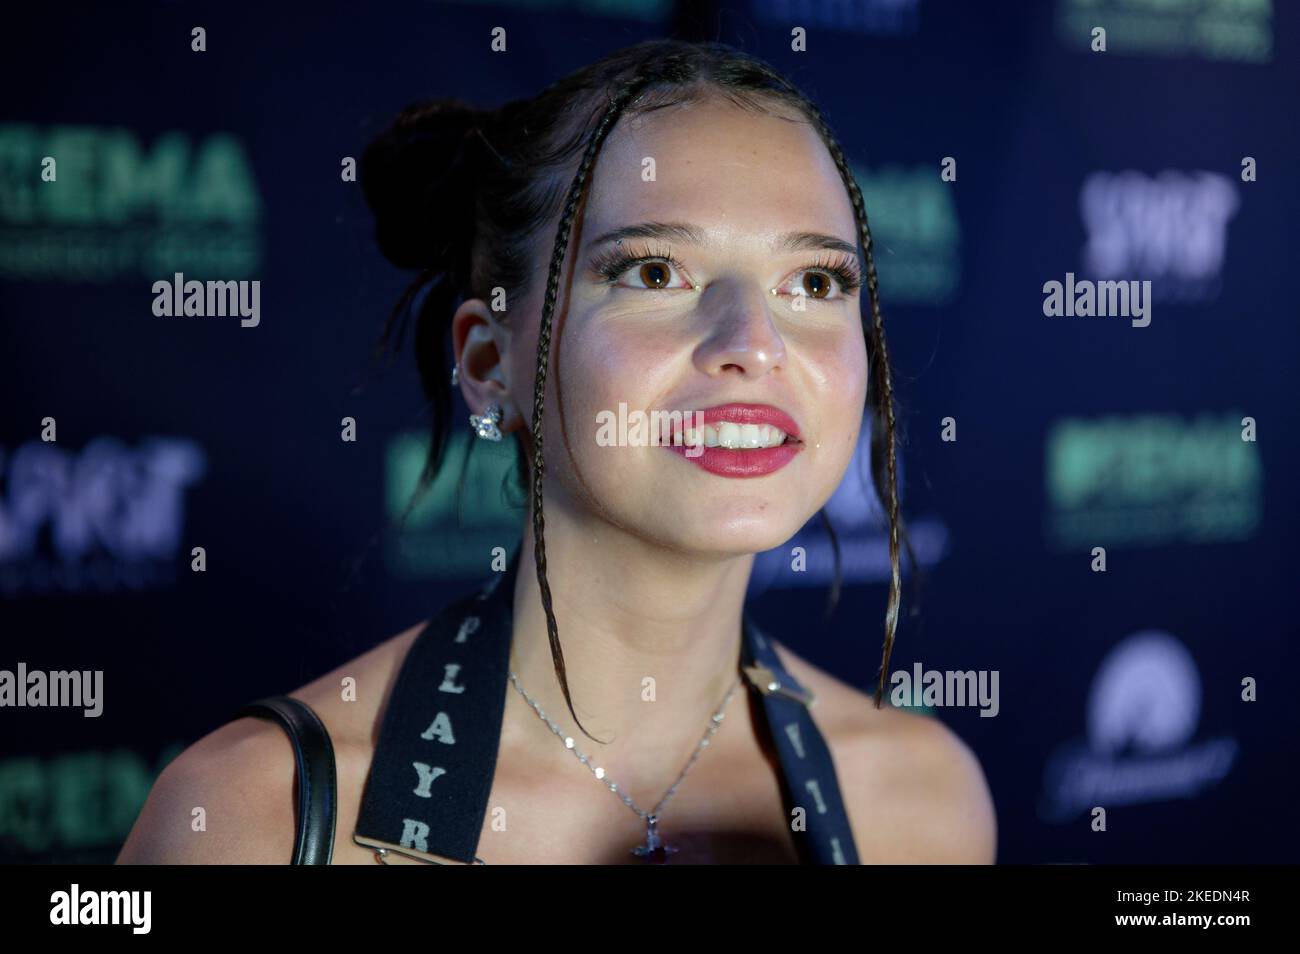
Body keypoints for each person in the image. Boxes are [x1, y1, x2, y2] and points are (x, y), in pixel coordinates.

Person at [116, 38, 995, 865]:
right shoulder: (252, 819)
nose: (755, 342)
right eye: (654, 272)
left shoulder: (923, 803)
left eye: (815, 282)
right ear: (490, 363)